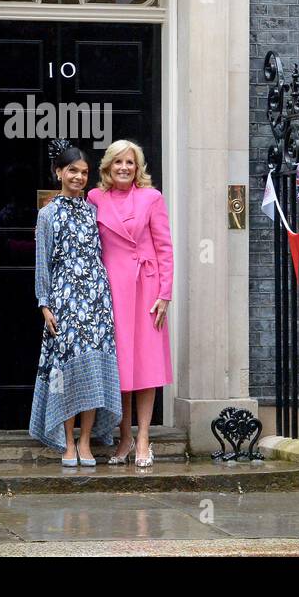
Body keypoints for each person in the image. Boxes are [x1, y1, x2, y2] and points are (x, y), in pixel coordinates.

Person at [29, 139, 122, 466]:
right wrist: (45, 305)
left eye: (84, 172)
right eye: (72, 170)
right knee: (68, 371)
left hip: (97, 299)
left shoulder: (94, 211)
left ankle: (85, 441)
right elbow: (43, 262)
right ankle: (68, 441)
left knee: (93, 369)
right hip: (64, 299)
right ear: (58, 172)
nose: (79, 177)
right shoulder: (47, 214)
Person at [87, 139, 174, 468]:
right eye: (118, 162)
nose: (124, 167)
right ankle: (124, 436)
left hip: (146, 289)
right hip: (111, 290)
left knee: (146, 365)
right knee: (120, 367)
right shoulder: (95, 198)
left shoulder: (152, 198)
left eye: (130, 162)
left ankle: (144, 438)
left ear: (138, 168)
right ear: (108, 166)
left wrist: (165, 294)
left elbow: (164, 247)